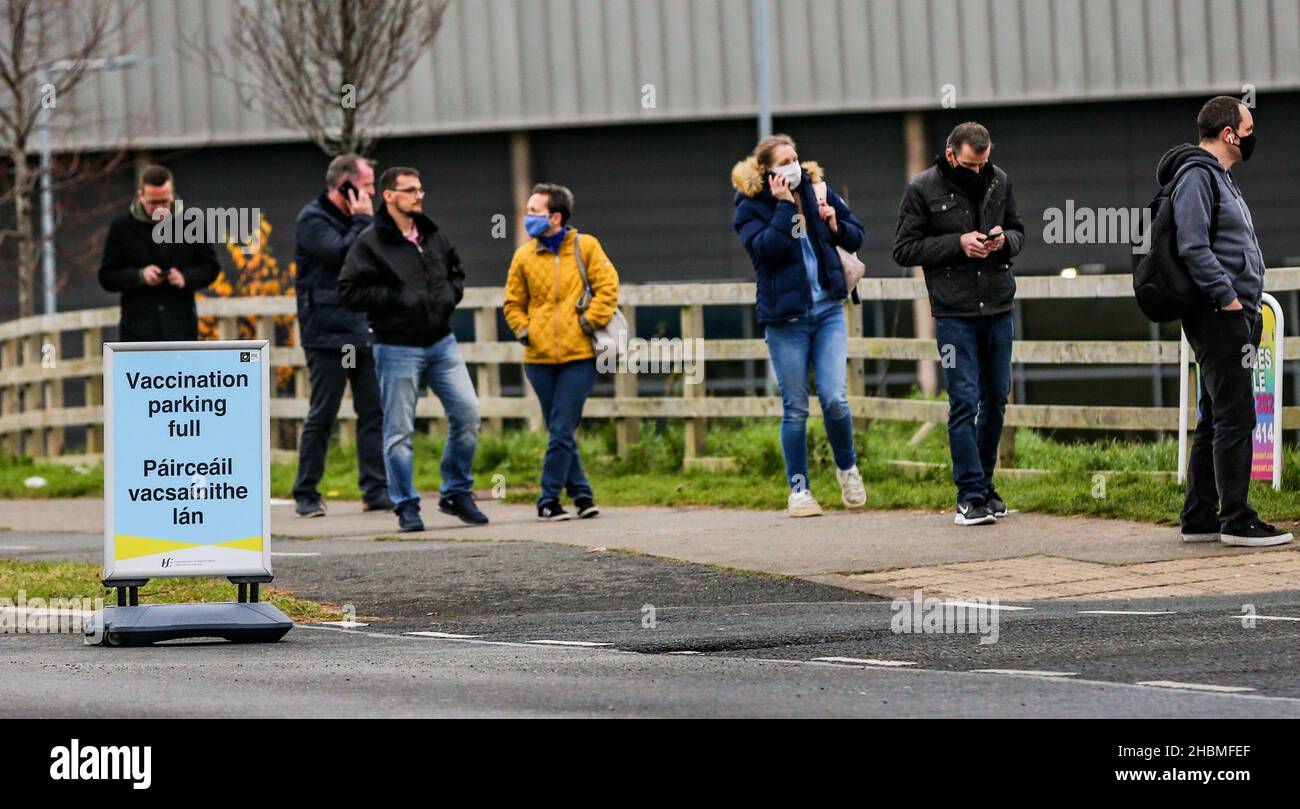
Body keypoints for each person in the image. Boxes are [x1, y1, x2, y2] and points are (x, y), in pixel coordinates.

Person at [1164, 96, 1290, 547]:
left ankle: (1199, 516)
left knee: (1216, 414)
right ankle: (1237, 519)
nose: (1253, 135)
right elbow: (1193, 247)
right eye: (1249, 128)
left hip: (1229, 312)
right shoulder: (1198, 177)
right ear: (1229, 134)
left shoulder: (1219, 178)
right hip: (1219, 315)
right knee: (1237, 413)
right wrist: (1231, 300)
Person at [339, 167, 487, 532]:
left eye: (421, 189)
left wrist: (450, 296)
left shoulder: (432, 233)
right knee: (399, 431)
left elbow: (456, 271)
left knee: (468, 414)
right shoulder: (370, 243)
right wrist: (396, 298)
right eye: (410, 190)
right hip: (396, 347)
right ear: (388, 196)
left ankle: (456, 491)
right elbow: (348, 290)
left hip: (441, 341)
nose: (419, 196)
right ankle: (406, 504)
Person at [892, 122, 1025, 527]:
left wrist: (1005, 241)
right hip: (954, 314)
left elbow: (1020, 231)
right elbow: (904, 248)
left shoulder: (999, 180)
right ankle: (968, 496)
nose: (978, 171)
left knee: (997, 399)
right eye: (970, 164)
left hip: (998, 306)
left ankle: (985, 488)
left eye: (983, 163)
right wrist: (957, 244)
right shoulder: (922, 188)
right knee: (964, 401)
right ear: (952, 154)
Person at [732, 134, 868, 518]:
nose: (794, 165)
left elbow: (857, 236)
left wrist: (834, 221)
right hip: (785, 319)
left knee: (834, 399)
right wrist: (783, 207)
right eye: (784, 160)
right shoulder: (748, 208)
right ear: (766, 170)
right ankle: (799, 490)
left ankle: (847, 469)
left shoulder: (816, 189)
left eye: (796, 158)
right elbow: (769, 252)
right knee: (795, 407)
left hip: (827, 311)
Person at [503, 183, 619, 521]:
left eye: (535, 211)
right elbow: (512, 301)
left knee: (561, 427)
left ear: (555, 216)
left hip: (579, 357)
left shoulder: (587, 247)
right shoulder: (523, 256)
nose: (528, 218)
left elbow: (608, 286)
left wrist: (588, 321)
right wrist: (525, 331)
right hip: (538, 359)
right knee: (560, 428)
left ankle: (548, 499)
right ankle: (582, 496)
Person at [291, 154, 392, 518]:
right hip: (327, 334)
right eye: (366, 186)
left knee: (373, 412)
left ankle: (376, 490)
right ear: (344, 185)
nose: (372, 194)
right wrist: (364, 219)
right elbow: (342, 254)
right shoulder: (312, 219)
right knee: (324, 413)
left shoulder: (363, 218)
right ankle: (305, 492)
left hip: (363, 328)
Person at [97, 165, 220, 341]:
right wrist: (140, 276)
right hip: (137, 332)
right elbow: (107, 276)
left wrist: (185, 278)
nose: (160, 208)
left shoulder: (191, 223)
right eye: (153, 203)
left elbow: (211, 267)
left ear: (172, 195)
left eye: (165, 201)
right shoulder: (121, 227)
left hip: (180, 330)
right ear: (141, 196)